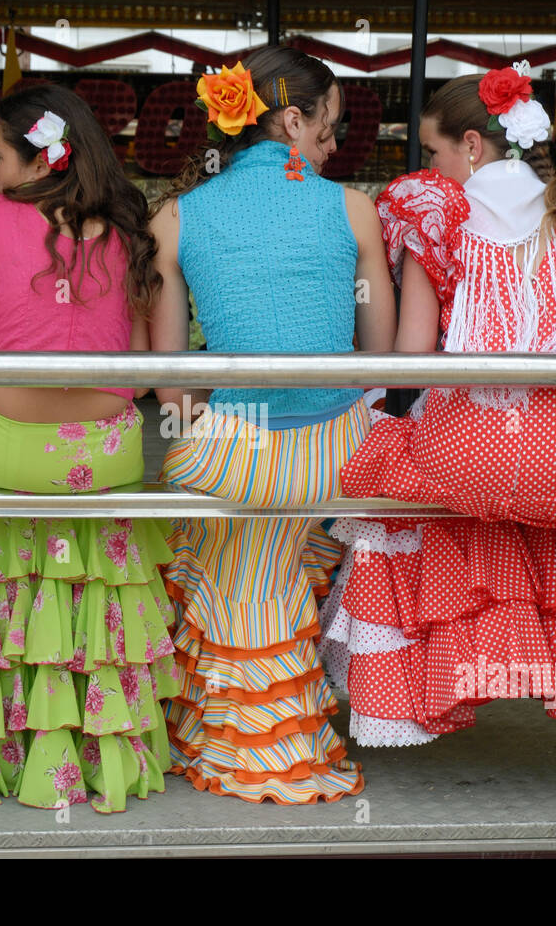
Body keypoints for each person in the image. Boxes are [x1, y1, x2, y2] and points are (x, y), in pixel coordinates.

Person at [319, 65, 556, 747]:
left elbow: (411, 359)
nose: (432, 167)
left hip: (462, 459)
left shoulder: (438, 216)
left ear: (472, 145)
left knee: (383, 470)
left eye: (434, 152)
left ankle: (409, 692)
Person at [149, 46, 396, 803]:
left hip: (233, 444)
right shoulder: (352, 207)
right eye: (330, 125)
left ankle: (233, 734)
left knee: (221, 535)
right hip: (337, 452)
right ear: (293, 118)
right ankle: (274, 730)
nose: (333, 142)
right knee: (278, 554)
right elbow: (376, 356)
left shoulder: (177, 215)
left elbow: (171, 388)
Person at [0, 84, 179, 813]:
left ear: (40, 154)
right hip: (104, 456)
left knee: (9, 617)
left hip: (8, 452)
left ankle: (5, 760)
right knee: (98, 616)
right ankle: (103, 765)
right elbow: (149, 365)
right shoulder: (135, 228)